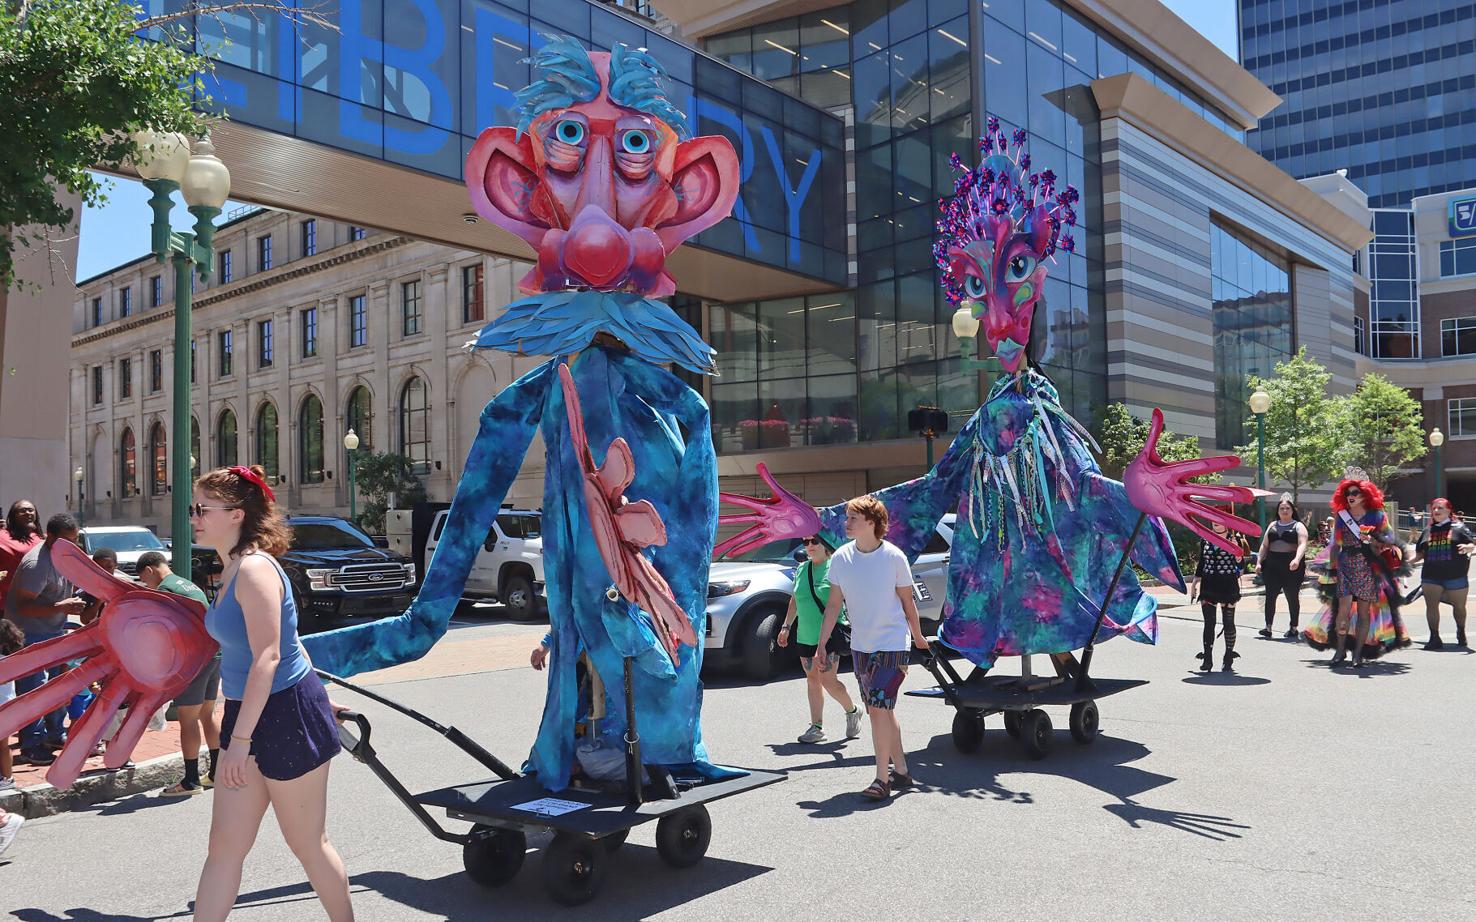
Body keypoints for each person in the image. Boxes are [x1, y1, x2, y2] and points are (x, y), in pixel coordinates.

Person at [190, 465, 351, 922]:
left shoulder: (255, 569)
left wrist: (237, 743)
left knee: (308, 846)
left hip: (283, 714)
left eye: (202, 509)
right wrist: (322, 696)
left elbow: (270, 656)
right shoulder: (233, 568)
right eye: (193, 508)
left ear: (236, 514)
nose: (194, 517)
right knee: (223, 848)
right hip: (254, 709)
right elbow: (288, 641)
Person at [815, 496, 928, 801]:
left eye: (853, 518)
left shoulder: (893, 557)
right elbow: (834, 605)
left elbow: (908, 602)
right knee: (882, 711)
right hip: (861, 646)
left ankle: (882, 778)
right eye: (847, 517)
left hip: (893, 644)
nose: (846, 522)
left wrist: (918, 637)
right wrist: (822, 644)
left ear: (871, 522)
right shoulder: (840, 558)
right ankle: (902, 769)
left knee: (879, 708)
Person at [2, 513, 86, 766]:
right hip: (30, 634)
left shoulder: (63, 556)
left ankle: (54, 734)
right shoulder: (36, 565)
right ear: (50, 536)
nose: (71, 545)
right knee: (34, 691)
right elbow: (24, 606)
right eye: (66, 540)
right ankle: (31, 744)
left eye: (74, 540)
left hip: (53, 631)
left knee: (57, 686)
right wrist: (63, 606)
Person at [137, 550, 221, 796]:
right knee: (207, 714)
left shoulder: (167, 590)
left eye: (144, 579)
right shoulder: (187, 585)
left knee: (188, 718)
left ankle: (191, 781)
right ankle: (216, 773)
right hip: (215, 654)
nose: (146, 585)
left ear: (150, 570)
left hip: (194, 661)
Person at [776, 534, 861, 744]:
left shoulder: (835, 568)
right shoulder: (802, 569)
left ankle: (852, 710)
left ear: (826, 546)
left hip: (830, 634)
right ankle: (817, 727)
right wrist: (786, 626)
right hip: (805, 634)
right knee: (812, 680)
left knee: (828, 680)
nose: (810, 546)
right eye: (806, 542)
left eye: (814, 541)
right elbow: (795, 600)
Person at [1328, 478, 1402, 668]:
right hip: (1345, 564)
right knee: (1342, 609)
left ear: (1365, 495)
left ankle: (1358, 654)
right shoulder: (1342, 515)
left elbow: (1390, 538)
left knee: (1363, 611)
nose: (1350, 497)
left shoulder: (1377, 516)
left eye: (1355, 493)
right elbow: (1336, 545)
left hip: (1368, 565)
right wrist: (1332, 568)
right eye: (1348, 493)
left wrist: (1373, 539)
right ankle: (1340, 650)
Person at [1412, 498, 1476, 649]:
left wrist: (1468, 547)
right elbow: (1420, 554)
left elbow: (1471, 543)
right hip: (1430, 576)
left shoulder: (1459, 527)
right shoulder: (1427, 530)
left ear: (1448, 510)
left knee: (1459, 607)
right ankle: (1434, 637)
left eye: (1440, 508)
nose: (1436, 511)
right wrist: (1404, 562)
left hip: (1456, 575)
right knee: (1431, 606)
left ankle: (1461, 631)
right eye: (1434, 508)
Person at [1189, 515, 1248, 672]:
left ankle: (1228, 657)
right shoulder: (1206, 539)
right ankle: (1207, 658)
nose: (1216, 522)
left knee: (1228, 622)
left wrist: (1237, 553)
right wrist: (1195, 583)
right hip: (1208, 585)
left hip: (1228, 584)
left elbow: (1241, 566)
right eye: (1214, 519)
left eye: (1220, 520)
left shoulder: (1235, 540)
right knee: (1209, 622)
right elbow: (1202, 563)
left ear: (1226, 524)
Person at [1256, 497, 1308, 639]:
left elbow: (1303, 544)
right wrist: (1259, 562)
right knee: (1270, 596)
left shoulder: (1298, 526)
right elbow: (1264, 545)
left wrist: (1297, 559)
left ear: (1292, 510)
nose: (1284, 511)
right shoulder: (1272, 525)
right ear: (1278, 511)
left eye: (1287, 508)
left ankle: (1293, 627)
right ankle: (1268, 627)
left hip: (1291, 565)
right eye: (1281, 508)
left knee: (1291, 596)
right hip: (1272, 564)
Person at [0, 501, 42, 611]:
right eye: (22, 511)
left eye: (31, 510)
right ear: (13, 516)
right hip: (5, 607)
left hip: (36, 607)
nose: (28, 513)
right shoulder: (2, 537)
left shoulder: (41, 539)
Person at [0, 619, 24, 790]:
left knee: (2, 746)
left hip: (2, 708)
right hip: (8, 708)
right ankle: (7, 777)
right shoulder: (9, 660)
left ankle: (7, 779)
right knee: (3, 745)